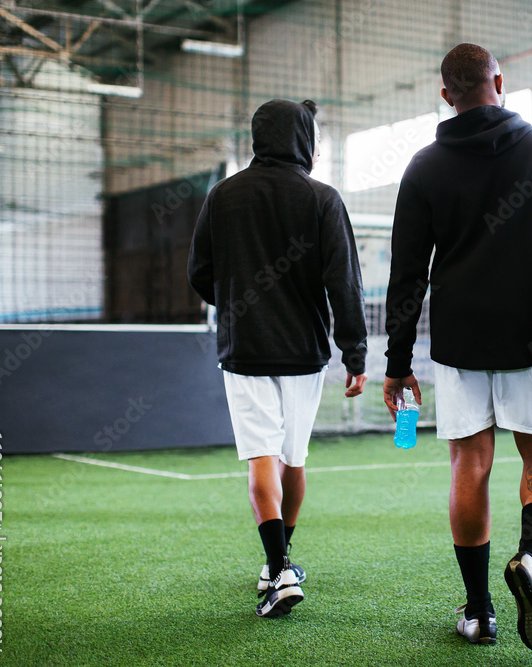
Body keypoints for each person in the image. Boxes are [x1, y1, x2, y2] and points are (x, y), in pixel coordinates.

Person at [382, 43, 532, 652]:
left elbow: (407, 276)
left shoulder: (424, 166)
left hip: (459, 344)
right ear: (499, 81)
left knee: (468, 466)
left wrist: (397, 366)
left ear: (445, 93)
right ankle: (531, 558)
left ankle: (478, 613)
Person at [188, 99, 367, 618]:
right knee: (294, 457)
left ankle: (278, 568)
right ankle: (280, 562)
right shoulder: (322, 198)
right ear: (305, 139)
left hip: (245, 346)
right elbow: (345, 283)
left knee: (261, 456)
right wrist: (354, 352)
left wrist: (241, 299)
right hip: (304, 350)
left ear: (257, 136)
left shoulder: (223, 196)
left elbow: (200, 272)